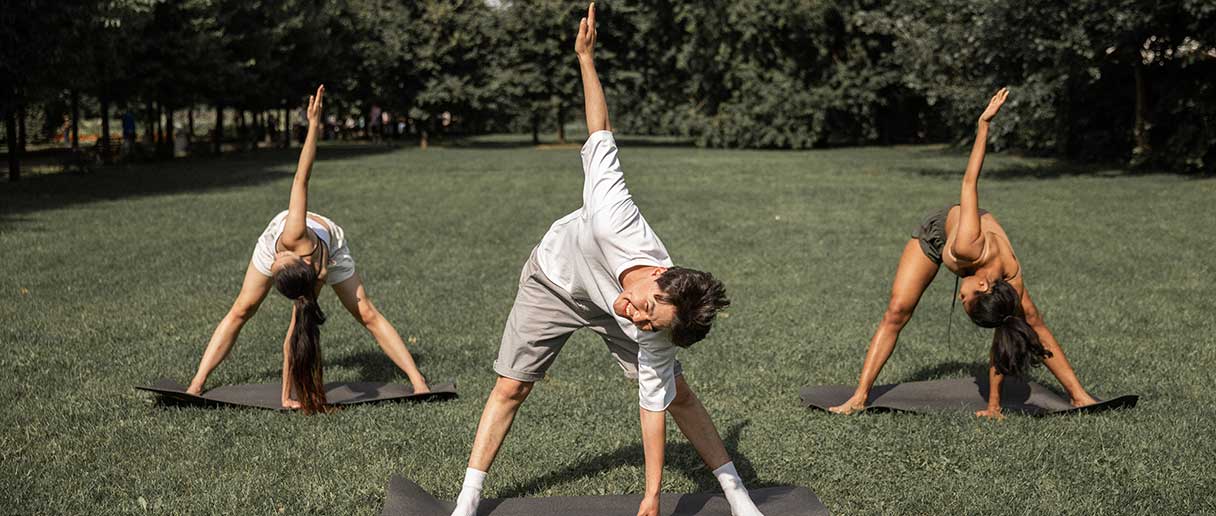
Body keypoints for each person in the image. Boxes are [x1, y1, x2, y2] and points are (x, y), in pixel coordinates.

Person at [448, 5, 764, 516]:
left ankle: (737, 493)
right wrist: (586, 59)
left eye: (650, 323)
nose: (638, 317)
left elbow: (653, 409)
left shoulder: (657, 324)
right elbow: (600, 131)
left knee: (677, 393)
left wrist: (652, 495)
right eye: (645, 308)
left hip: (599, 294)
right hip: (554, 279)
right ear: (658, 275)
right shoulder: (612, 215)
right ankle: (468, 498)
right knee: (512, 385)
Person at [828, 87, 1099, 419]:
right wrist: (983, 124)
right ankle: (859, 396)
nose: (960, 298)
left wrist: (994, 407)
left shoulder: (1008, 283)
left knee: (1032, 319)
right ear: (982, 286)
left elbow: (1004, 333)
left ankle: (1079, 395)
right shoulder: (969, 242)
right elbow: (970, 182)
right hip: (941, 233)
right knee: (897, 311)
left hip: (973, 260)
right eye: (966, 300)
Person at [186, 85, 429, 412]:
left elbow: (302, 177)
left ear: (288, 258)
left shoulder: (295, 236)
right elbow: (296, 325)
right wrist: (286, 399)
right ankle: (196, 383)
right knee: (242, 309)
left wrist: (314, 126)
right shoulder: (284, 245)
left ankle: (418, 381)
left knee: (367, 313)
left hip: (331, 246)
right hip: (306, 256)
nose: (270, 263)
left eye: (271, 266)